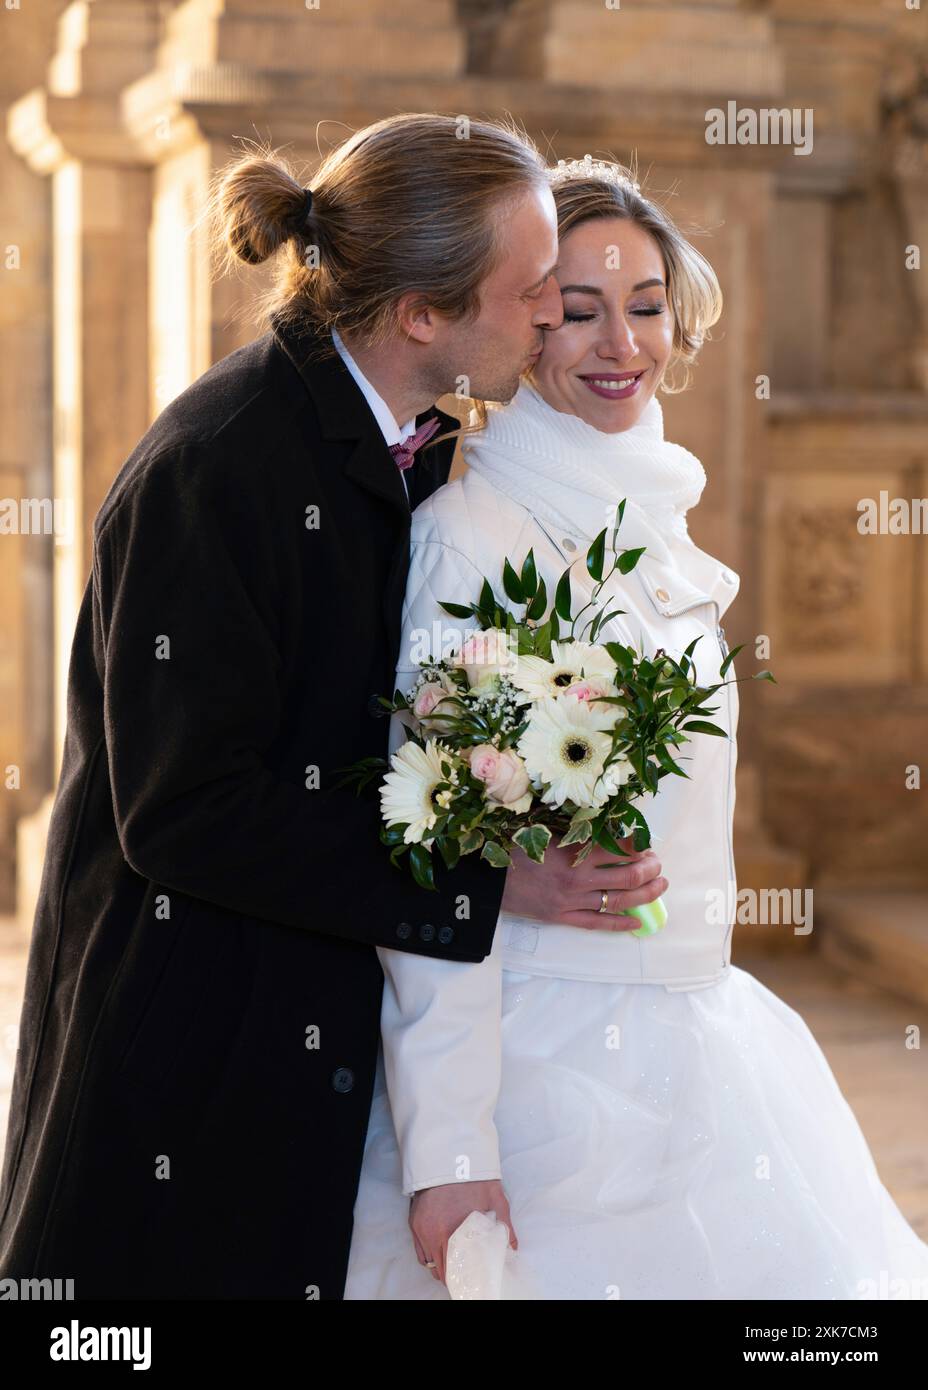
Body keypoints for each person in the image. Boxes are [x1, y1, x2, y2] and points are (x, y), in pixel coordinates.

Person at [0, 117, 666, 1301]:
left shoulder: (392, 437)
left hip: (293, 1042)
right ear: (422, 314)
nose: (553, 319)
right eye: (530, 295)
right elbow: (187, 810)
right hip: (186, 1059)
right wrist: (489, 880)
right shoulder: (220, 466)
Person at [343, 155, 928, 1300]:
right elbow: (435, 859)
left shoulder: (658, 521)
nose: (621, 344)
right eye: (576, 311)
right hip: (543, 1072)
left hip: (702, 1047)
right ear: (521, 328)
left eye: (646, 306)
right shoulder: (472, 533)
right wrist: (454, 1149)